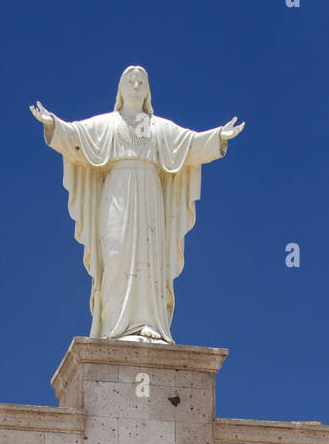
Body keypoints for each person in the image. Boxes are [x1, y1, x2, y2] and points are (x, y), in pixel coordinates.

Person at [31, 67, 243, 342]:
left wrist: (218, 137)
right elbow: (76, 136)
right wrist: (53, 124)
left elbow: (189, 144)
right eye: (129, 81)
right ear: (120, 89)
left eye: (141, 82)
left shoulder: (158, 127)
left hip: (150, 193)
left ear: (147, 91)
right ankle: (113, 326)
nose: (135, 85)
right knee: (116, 254)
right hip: (117, 191)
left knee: (148, 256)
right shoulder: (107, 123)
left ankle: (148, 322)